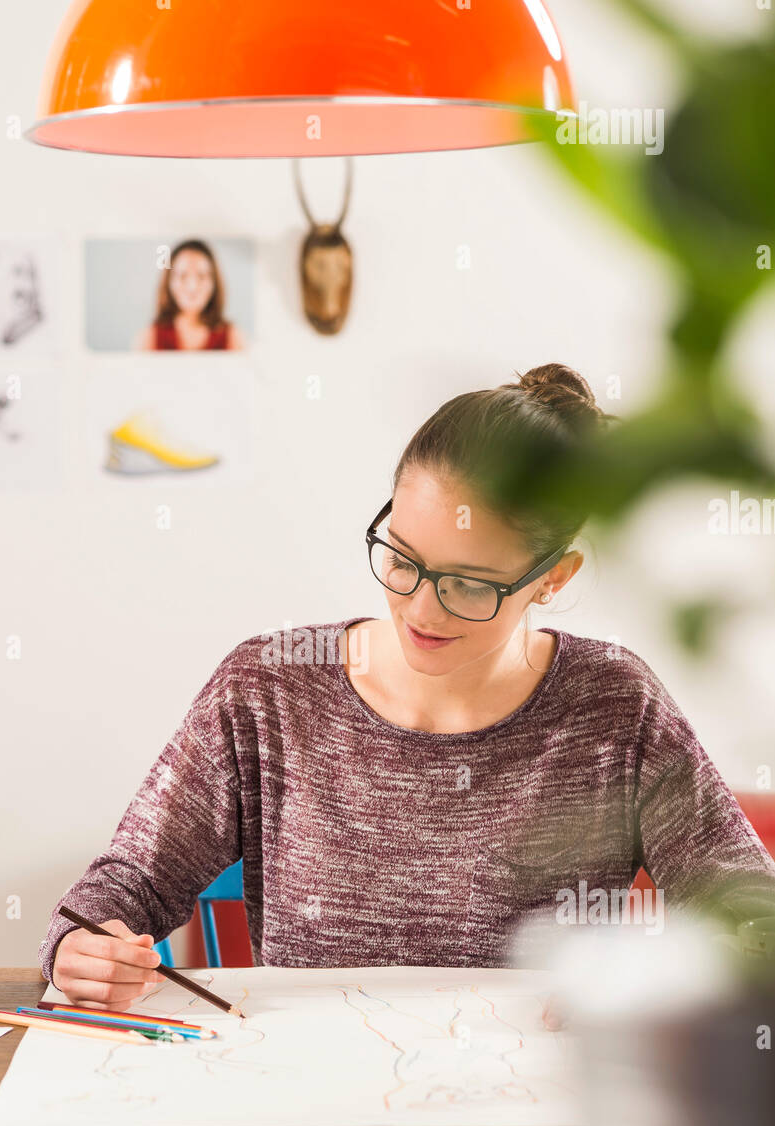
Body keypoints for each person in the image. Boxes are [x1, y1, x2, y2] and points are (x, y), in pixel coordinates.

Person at [39, 363, 775, 1026]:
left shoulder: (614, 706)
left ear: (553, 577)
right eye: (402, 560)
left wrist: (644, 986)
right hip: (310, 1119)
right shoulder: (267, 688)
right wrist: (83, 946)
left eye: (467, 584)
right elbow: (125, 887)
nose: (421, 609)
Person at [132, 239, 245, 351]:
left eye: (202, 276)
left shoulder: (233, 338)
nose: (192, 287)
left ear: (214, 282)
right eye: (182, 276)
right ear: (169, 282)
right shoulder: (149, 339)